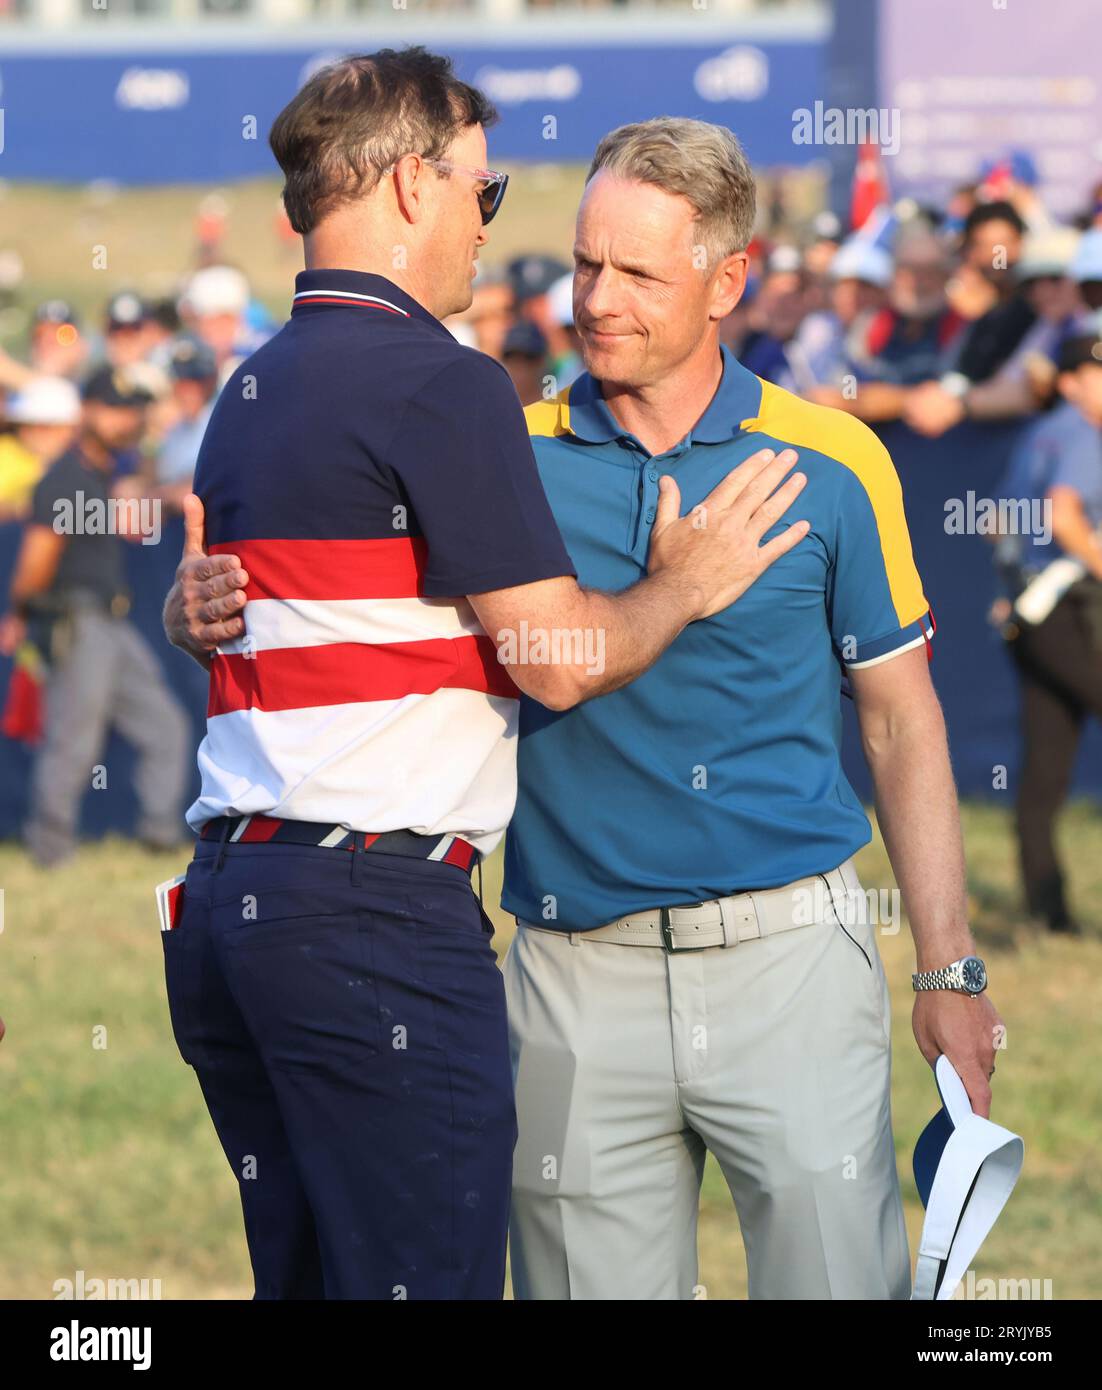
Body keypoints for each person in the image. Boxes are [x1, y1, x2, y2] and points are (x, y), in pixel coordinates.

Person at [177, 114, 1002, 1303]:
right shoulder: (492, 449)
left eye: (636, 273)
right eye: (582, 263)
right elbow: (314, 572)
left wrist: (951, 968)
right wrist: (193, 601)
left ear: (729, 282)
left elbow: (901, 723)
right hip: (565, 976)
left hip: (792, 965)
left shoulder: (833, 460)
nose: (595, 300)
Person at [0, 366, 189, 866]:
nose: (125, 418)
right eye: (113, 407)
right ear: (85, 412)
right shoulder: (64, 478)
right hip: (79, 620)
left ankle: (158, 835)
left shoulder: (100, 474)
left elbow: (137, 495)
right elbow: (37, 558)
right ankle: (50, 851)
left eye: (131, 409)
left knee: (164, 727)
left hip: (111, 621)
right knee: (72, 741)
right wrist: (19, 612)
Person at [995, 333, 1102, 934]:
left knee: (1045, 767)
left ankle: (1049, 916)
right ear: (1069, 383)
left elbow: (996, 523)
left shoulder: (1039, 433)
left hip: (1030, 616)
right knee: (1045, 767)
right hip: (1070, 610)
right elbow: (1063, 516)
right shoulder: (1083, 432)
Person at [0, 376, 81, 520]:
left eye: (44, 426)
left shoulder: (84, 461)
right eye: (25, 424)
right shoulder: (6, 453)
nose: (30, 432)